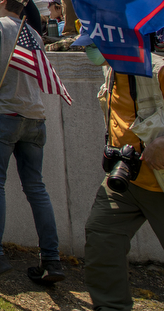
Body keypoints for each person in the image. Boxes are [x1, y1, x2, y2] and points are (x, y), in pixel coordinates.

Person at [0, 0, 64, 282]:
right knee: (36, 189)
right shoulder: (33, 32)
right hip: (35, 117)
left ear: (3, 0)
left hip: (4, 114)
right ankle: (52, 259)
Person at [79, 33, 164, 311]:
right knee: (101, 236)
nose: (90, 52)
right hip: (126, 179)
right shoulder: (111, 69)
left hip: (160, 183)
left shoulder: (157, 68)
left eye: (93, 45)